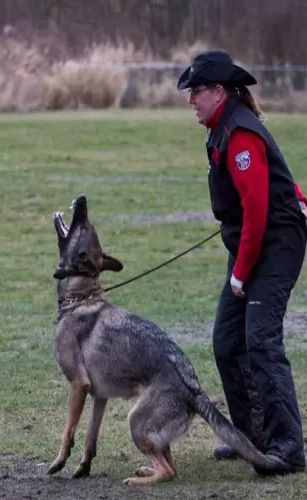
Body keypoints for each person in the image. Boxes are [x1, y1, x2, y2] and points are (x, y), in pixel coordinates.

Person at [177, 50, 306, 476]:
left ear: (218, 92)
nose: (190, 100)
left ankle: (288, 446)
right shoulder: (220, 128)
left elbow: (257, 211)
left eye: (196, 91)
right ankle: (251, 437)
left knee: (261, 341)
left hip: (276, 244)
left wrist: (239, 273)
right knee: (226, 340)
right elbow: (261, 192)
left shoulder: (241, 135)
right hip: (254, 241)